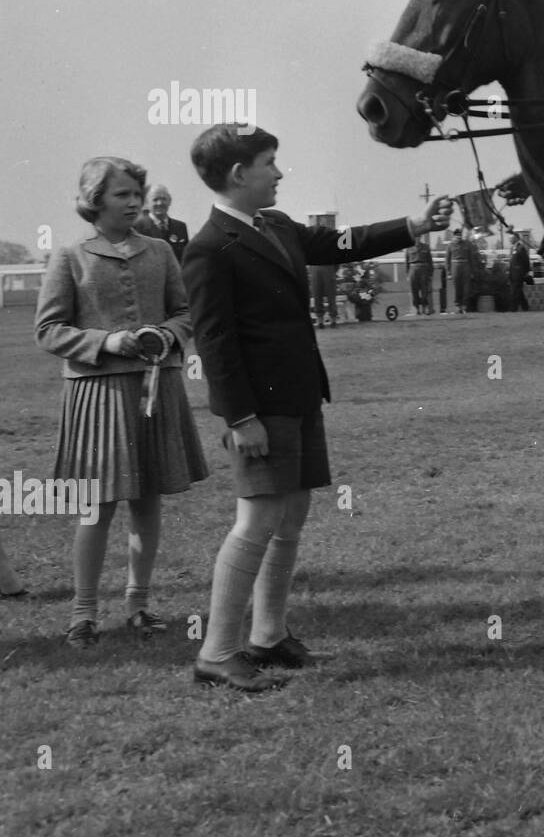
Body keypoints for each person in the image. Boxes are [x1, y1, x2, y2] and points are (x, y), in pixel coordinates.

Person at [182, 124, 450, 691]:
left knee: (292, 514)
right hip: (260, 410)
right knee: (256, 521)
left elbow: (338, 244)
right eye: (270, 163)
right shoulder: (208, 248)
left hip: (301, 398)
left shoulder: (275, 225)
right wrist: (239, 419)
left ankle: (268, 636)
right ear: (238, 175)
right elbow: (215, 343)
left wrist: (413, 225)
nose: (279, 173)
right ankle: (217, 651)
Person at [34, 157, 208, 648]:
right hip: (98, 394)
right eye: (121, 194)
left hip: (156, 390)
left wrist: (165, 336)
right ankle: (83, 613)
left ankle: (138, 603)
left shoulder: (160, 252)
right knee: (96, 508)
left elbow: (184, 311)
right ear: (94, 200)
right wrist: (107, 344)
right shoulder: (70, 256)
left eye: (137, 193)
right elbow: (48, 330)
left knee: (146, 499)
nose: (133, 202)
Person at [133, 183, 189, 262]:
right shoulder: (137, 227)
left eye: (163, 199)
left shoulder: (180, 227)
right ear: (147, 203)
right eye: (155, 199)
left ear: (170, 201)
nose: (160, 203)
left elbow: (185, 258)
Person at [407, 232, 433, 315]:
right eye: (415, 237)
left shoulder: (426, 247)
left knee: (424, 290)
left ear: (420, 237)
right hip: (413, 269)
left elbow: (430, 261)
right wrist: (407, 274)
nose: (417, 238)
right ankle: (416, 308)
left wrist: (430, 273)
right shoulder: (409, 248)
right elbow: (407, 262)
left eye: (418, 236)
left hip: (423, 269)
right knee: (414, 290)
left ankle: (425, 308)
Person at [508, 233, 532, 312]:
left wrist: (526, 272)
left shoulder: (521, 248)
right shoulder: (513, 248)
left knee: (515, 291)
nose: (510, 239)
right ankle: (525, 307)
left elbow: (526, 261)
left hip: (519, 274)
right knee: (518, 292)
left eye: (512, 238)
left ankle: (513, 309)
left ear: (516, 238)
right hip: (512, 273)